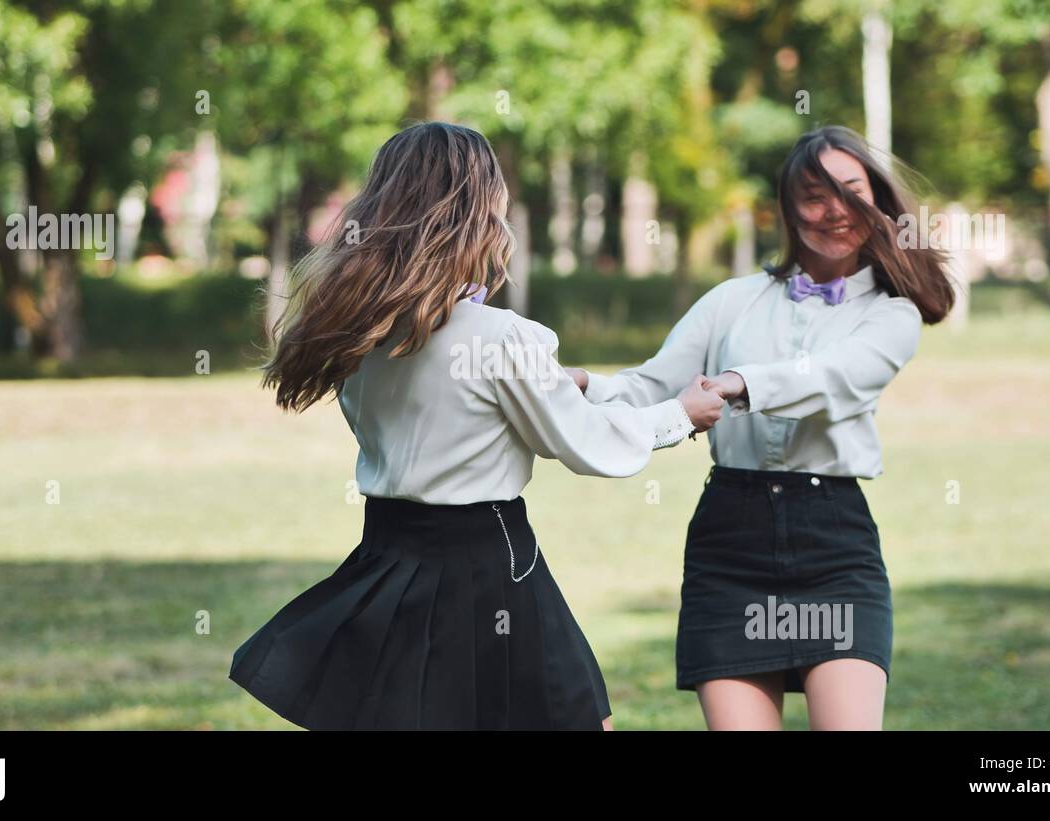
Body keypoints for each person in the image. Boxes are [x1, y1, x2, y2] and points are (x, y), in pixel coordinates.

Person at [228, 121, 725, 730]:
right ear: (479, 206)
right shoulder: (498, 337)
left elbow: (457, 403)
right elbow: (588, 445)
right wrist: (681, 415)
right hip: (488, 565)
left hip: (391, 555)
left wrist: (542, 386)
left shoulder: (360, 330)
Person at [568, 125, 955, 730]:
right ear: (789, 210)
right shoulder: (731, 300)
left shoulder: (892, 313)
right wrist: (587, 384)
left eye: (850, 191)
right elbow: (652, 386)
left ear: (876, 200)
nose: (834, 211)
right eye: (814, 196)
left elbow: (836, 379)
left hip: (833, 544)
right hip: (731, 541)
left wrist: (738, 384)